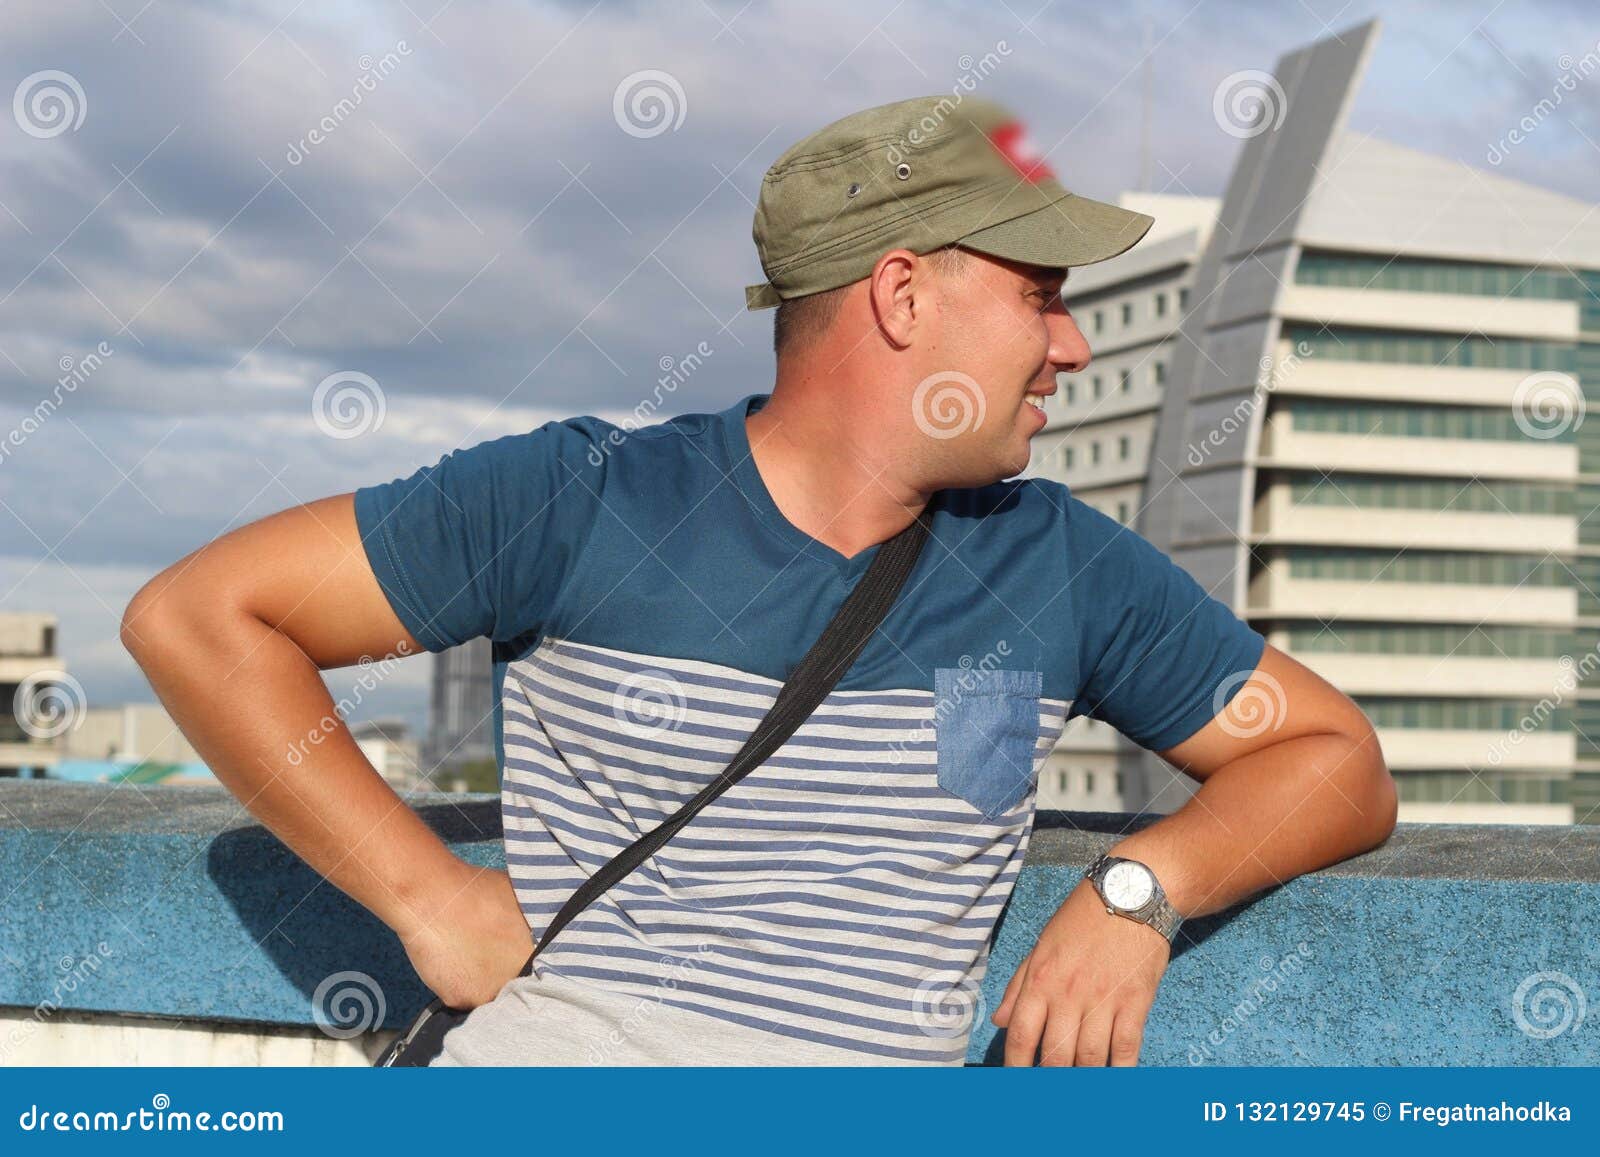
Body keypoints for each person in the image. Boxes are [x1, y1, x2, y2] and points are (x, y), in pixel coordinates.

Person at [122, 94, 1396, 1067]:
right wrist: (427, 894)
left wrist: (1140, 888)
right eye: (1039, 297)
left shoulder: (1052, 556)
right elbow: (197, 615)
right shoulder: (581, 497)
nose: (1068, 342)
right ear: (902, 295)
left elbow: (1333, 759)